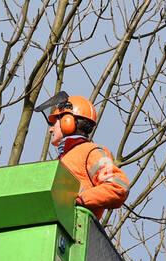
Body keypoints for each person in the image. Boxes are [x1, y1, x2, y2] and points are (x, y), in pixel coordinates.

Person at [38, 91, 129, 221]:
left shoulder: (90, 151)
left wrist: (78, 200)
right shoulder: (63, 160)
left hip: (77, 228)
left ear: (67, 121)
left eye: (54, 123)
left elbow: (118, 187)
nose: (51, 129)